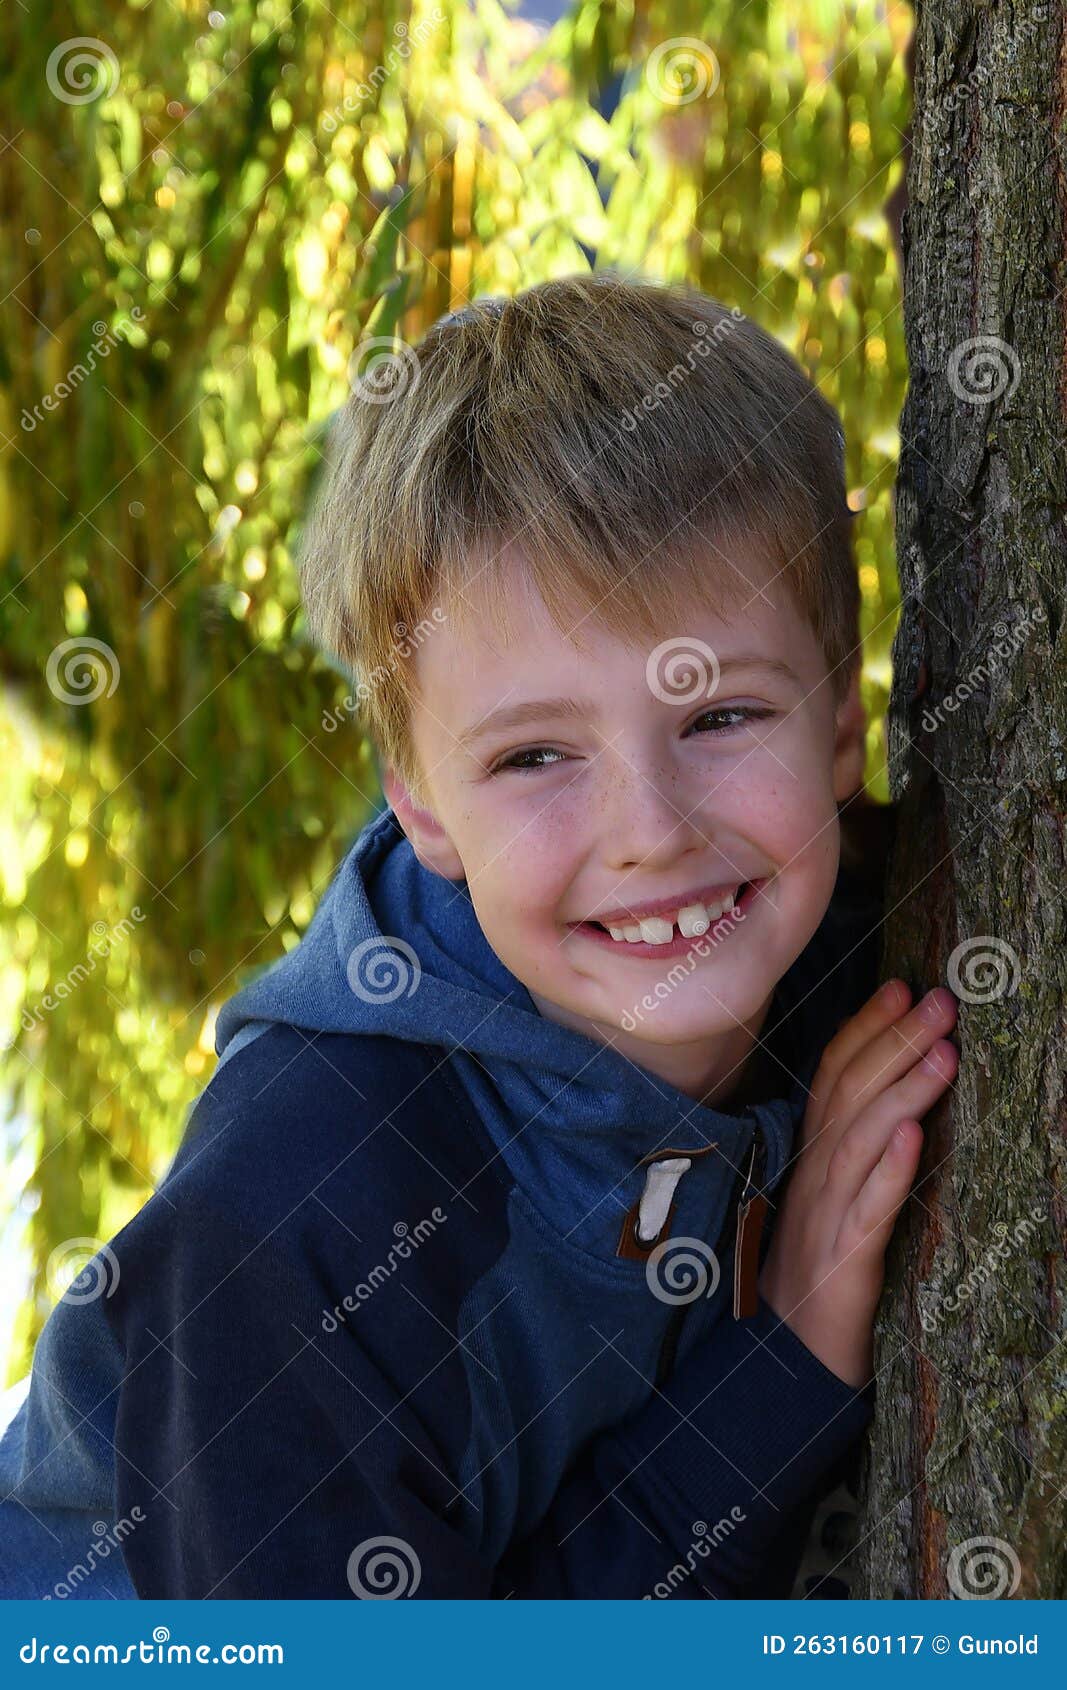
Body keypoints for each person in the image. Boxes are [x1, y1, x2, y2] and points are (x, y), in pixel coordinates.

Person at [0, 273, 958, 1599]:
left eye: (721, 717)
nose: (652, 829)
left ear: (841, 724)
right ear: (420, 803)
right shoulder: (293, 1223)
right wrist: (781, 1359)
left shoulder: (875, 941)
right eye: (535, 755)